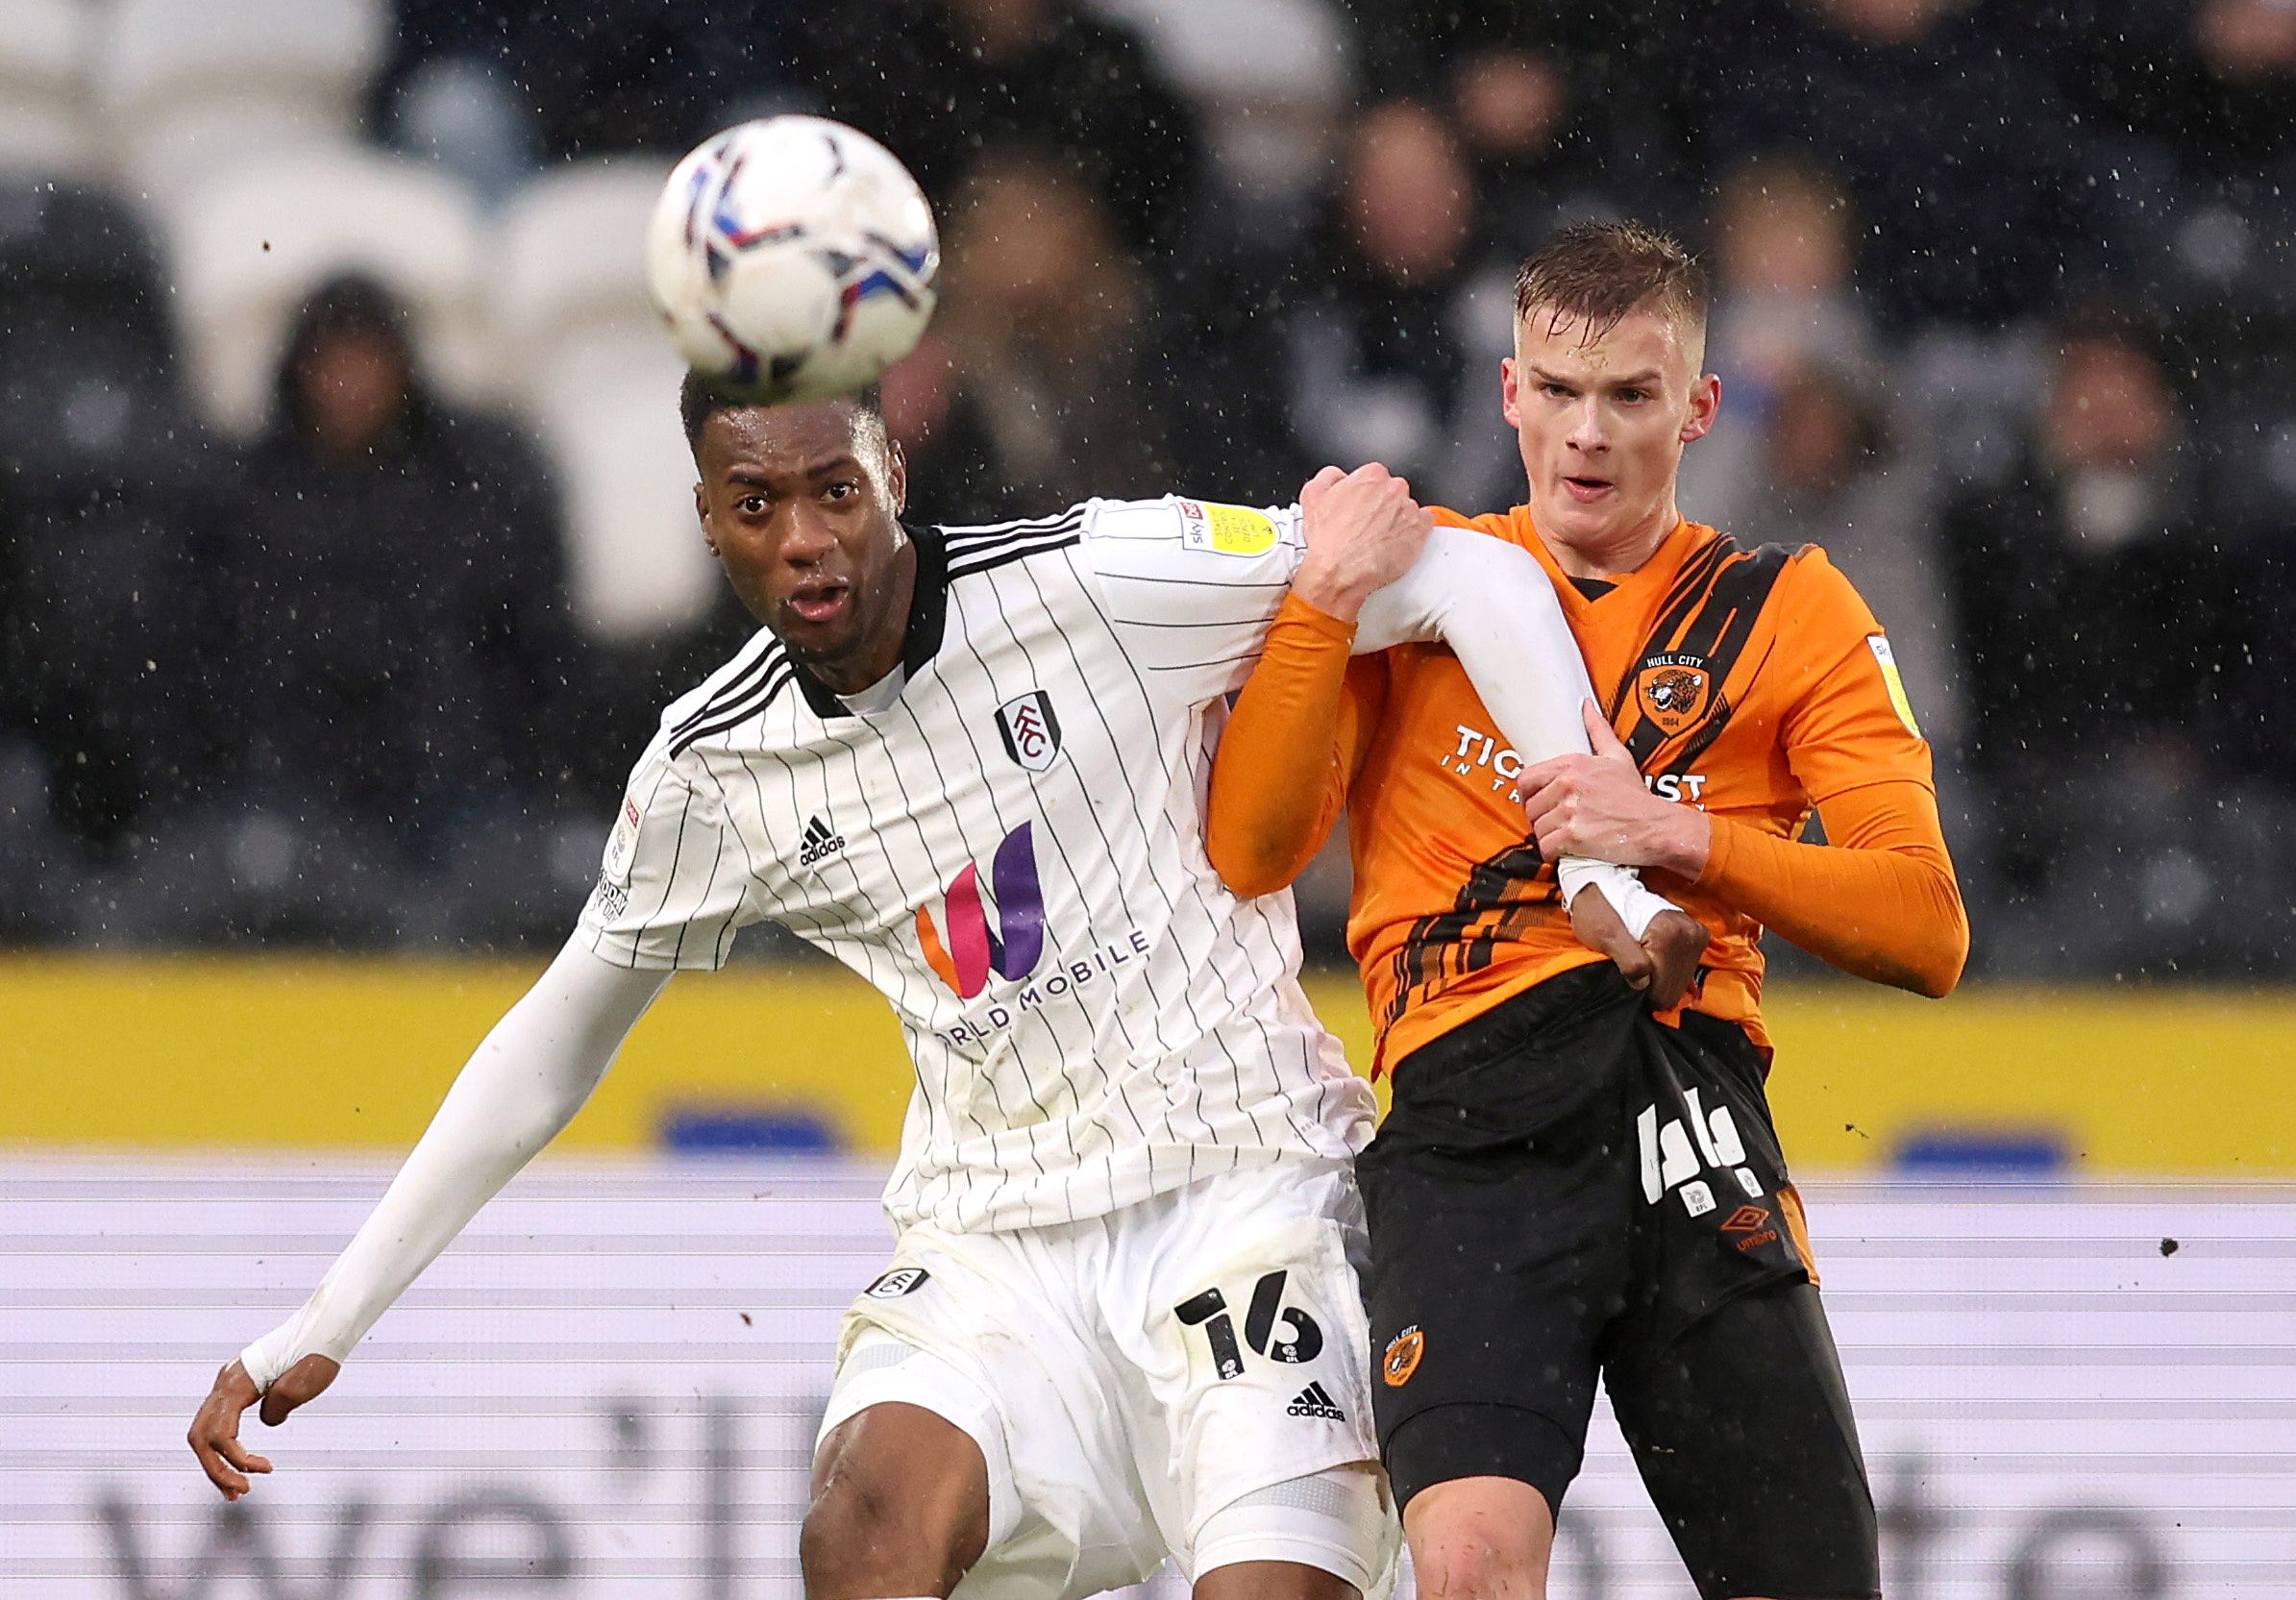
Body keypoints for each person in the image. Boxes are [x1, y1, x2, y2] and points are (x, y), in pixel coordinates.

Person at [185, 371, 1691, 1600]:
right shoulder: (714, 771)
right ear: (703, 523)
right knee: (858, 1528)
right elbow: (555, 1041)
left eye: (832, 489)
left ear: (891, 472)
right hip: (989, 1247)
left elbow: (1479, 573)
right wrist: (333, 1308)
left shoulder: (1100, 578)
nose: (804, 538)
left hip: (1250, 1193)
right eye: (755, 505)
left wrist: (1596, 863)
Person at [1205, 221, 1969, 1598]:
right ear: (1508, 395)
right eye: (1555, 393)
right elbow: (1255, 849)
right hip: (1468, 1130)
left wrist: (1672, 834)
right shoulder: (1413, 583)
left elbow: (1925, 927)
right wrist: (1318, 597)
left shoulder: (1785, 608)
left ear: (1698, 406)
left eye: (1629, 395)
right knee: (1473, 1567)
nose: (1588, 435)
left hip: (1685, 1109)